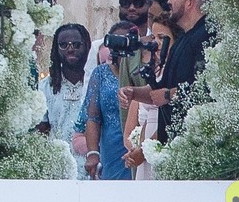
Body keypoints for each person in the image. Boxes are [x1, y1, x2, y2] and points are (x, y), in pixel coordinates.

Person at [119, 0, 212, 142]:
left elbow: (206, 88)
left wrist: (169, 95)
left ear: (189, 3)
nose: (169, 1)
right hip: (172, 140)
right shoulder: (183, 39)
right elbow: (160, 91)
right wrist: (134, 93)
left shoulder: (206, 36)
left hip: (193, 139)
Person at [122, 11, 178, 179]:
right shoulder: (157, 69)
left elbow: (167, 116)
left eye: (162, 37)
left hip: (162, 145)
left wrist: (145, 150)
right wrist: (132, 92)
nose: (157, 43)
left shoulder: (176, 70)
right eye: (153, 38)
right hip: (147, 146)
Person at [82, 21, 134, 180]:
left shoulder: (140, 71)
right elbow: (93, 117)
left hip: (137, 143)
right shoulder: (100, 73)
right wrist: (92, 153)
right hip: (110, 147)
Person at [37, 22, 91, 178]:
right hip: (57, 167)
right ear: (56, 49)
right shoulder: (46, 86)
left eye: (76, 44)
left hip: (92, 166)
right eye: (63, 45)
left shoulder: (94, 82)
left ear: (86, 46)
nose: (70, 48)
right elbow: (42, 128)